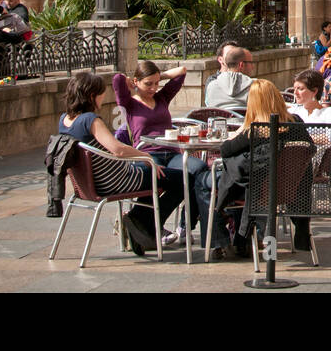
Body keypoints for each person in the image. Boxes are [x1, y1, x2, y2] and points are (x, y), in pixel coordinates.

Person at [57, 70, 182, 257]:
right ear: (92, 96)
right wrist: (146, 158)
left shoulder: (65, 120)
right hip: (114, 181)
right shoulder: (91, 120)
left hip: (87, 183)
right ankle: (141, 222)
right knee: (183, 179)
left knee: (158, 177)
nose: (103, 98)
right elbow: (119, 149)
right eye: (101, 94)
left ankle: (139, 224)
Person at [205, 79, 314, 257]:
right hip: (291, 190)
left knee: (204, 183)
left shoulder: (255, 130)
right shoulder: (296, 122)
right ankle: (238, 242)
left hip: (260, 192)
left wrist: (244, 127)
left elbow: (225, 150)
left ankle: (223, 240)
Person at [111, 60, 200, 248]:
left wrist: (160, 77)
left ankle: (143, 222)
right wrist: (131, 81)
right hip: (146, 154)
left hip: (172, 152)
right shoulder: (129, 103)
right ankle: (147, 225)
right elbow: (117, 79)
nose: (153, 88)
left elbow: (182, 71)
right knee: (173, 180)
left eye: (156, 83)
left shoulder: (162, 98)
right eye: (148, 84)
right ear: (136, 82)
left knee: (197, 170)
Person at [289, 69, 331, 149]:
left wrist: (303, 138)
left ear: (314, 91)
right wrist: (319, 137)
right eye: (294, 89)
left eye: (300, 89)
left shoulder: (328, 112)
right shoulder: (294, 111)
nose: (295, 92)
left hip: (317, 157)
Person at [205, 45, 254, 109]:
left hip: (219, 119)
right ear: (241, 64)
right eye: (251, 63)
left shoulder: (211, 86)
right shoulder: (256, 86)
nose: (253, 67)